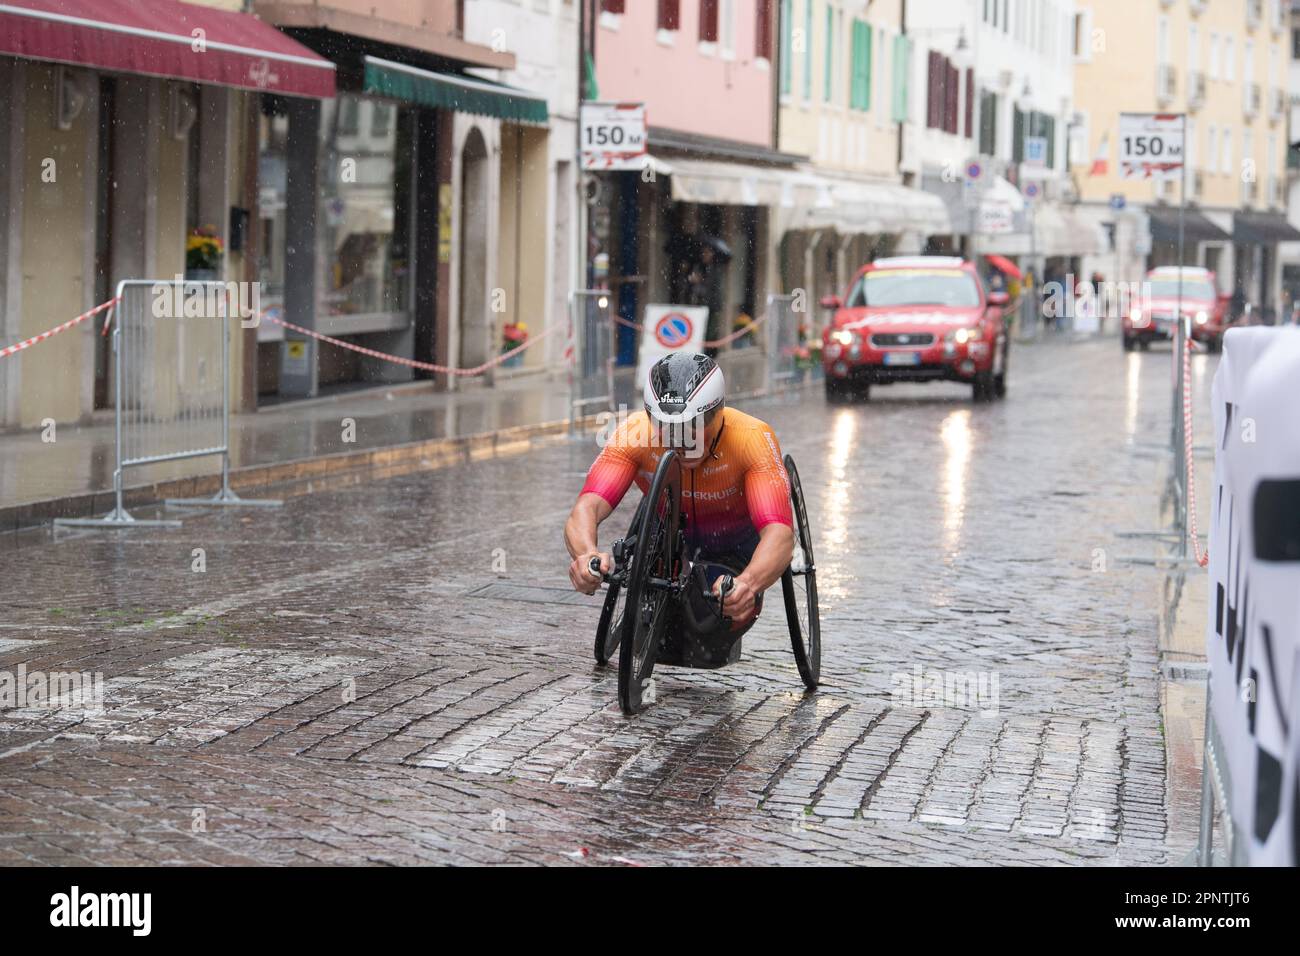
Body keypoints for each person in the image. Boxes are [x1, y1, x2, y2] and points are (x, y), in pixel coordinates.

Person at [565, 353, 795, 649]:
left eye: (695, 423)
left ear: (718, 411)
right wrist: (585, 555)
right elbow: (587, 506)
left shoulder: (751, 438)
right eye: (666, 424)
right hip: (670, 535)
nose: (681, 438)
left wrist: (748, 583)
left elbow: (780, 533)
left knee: (715, 624)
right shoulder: (634, 434)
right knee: (668, 629)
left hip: (735, 546)